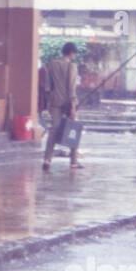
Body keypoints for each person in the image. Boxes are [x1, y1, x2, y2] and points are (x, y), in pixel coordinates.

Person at [43, 41, 83, 172]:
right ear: (71, 53)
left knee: (53, 130)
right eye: (75, 53)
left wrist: (49, 100)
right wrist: (72, 105)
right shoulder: (72, 66)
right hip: (68, 103)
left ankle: (47, 160)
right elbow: (71, 88)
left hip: (54, 102)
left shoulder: (51, 64)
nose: (75, 56)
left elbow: (47, 86)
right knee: (73, 130)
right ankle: (73, 162)